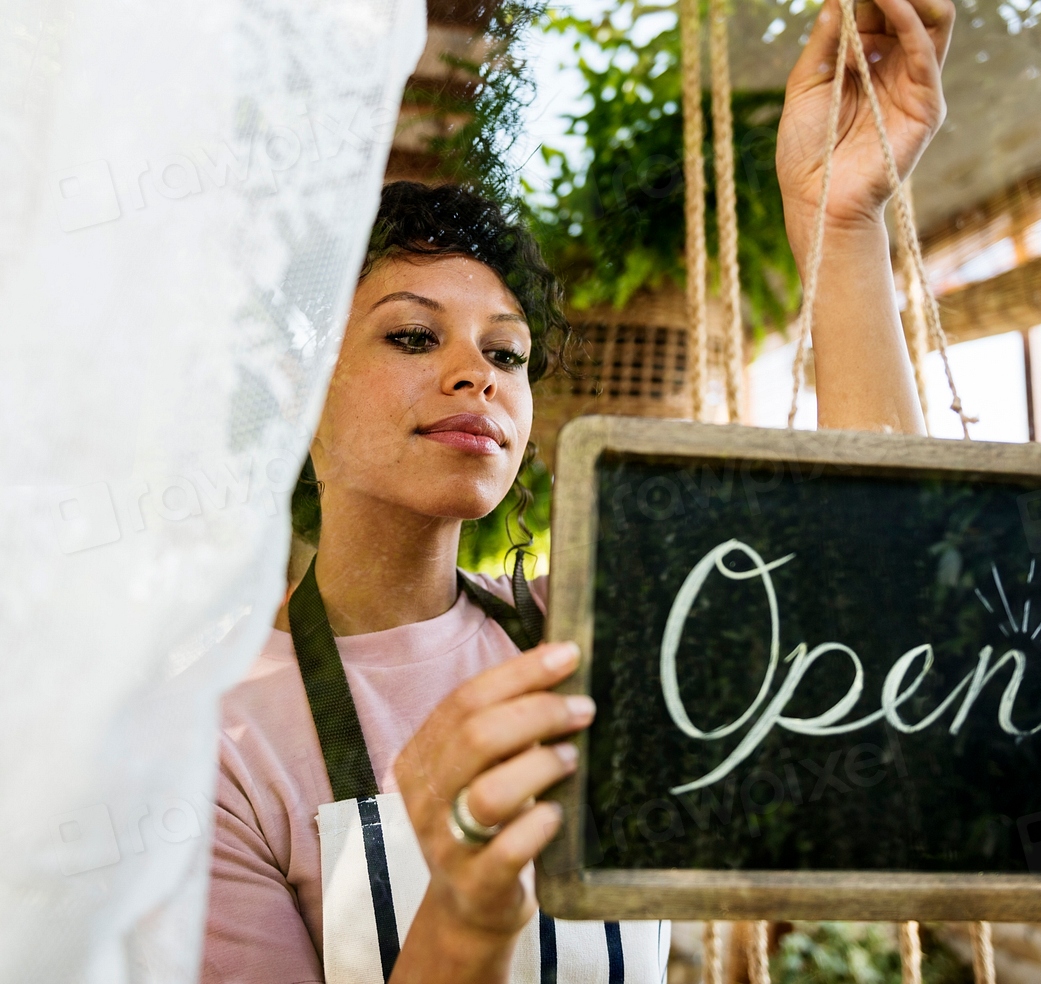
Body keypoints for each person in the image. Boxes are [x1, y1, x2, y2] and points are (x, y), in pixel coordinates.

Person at [201, 0, 954, 980]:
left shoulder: (589, 633)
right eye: (413, 335)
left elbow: (879, 592)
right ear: (301, 401)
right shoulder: (222, 742)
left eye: (505, 352)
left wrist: (837, 219)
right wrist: (463, 922)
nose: (477, 374)